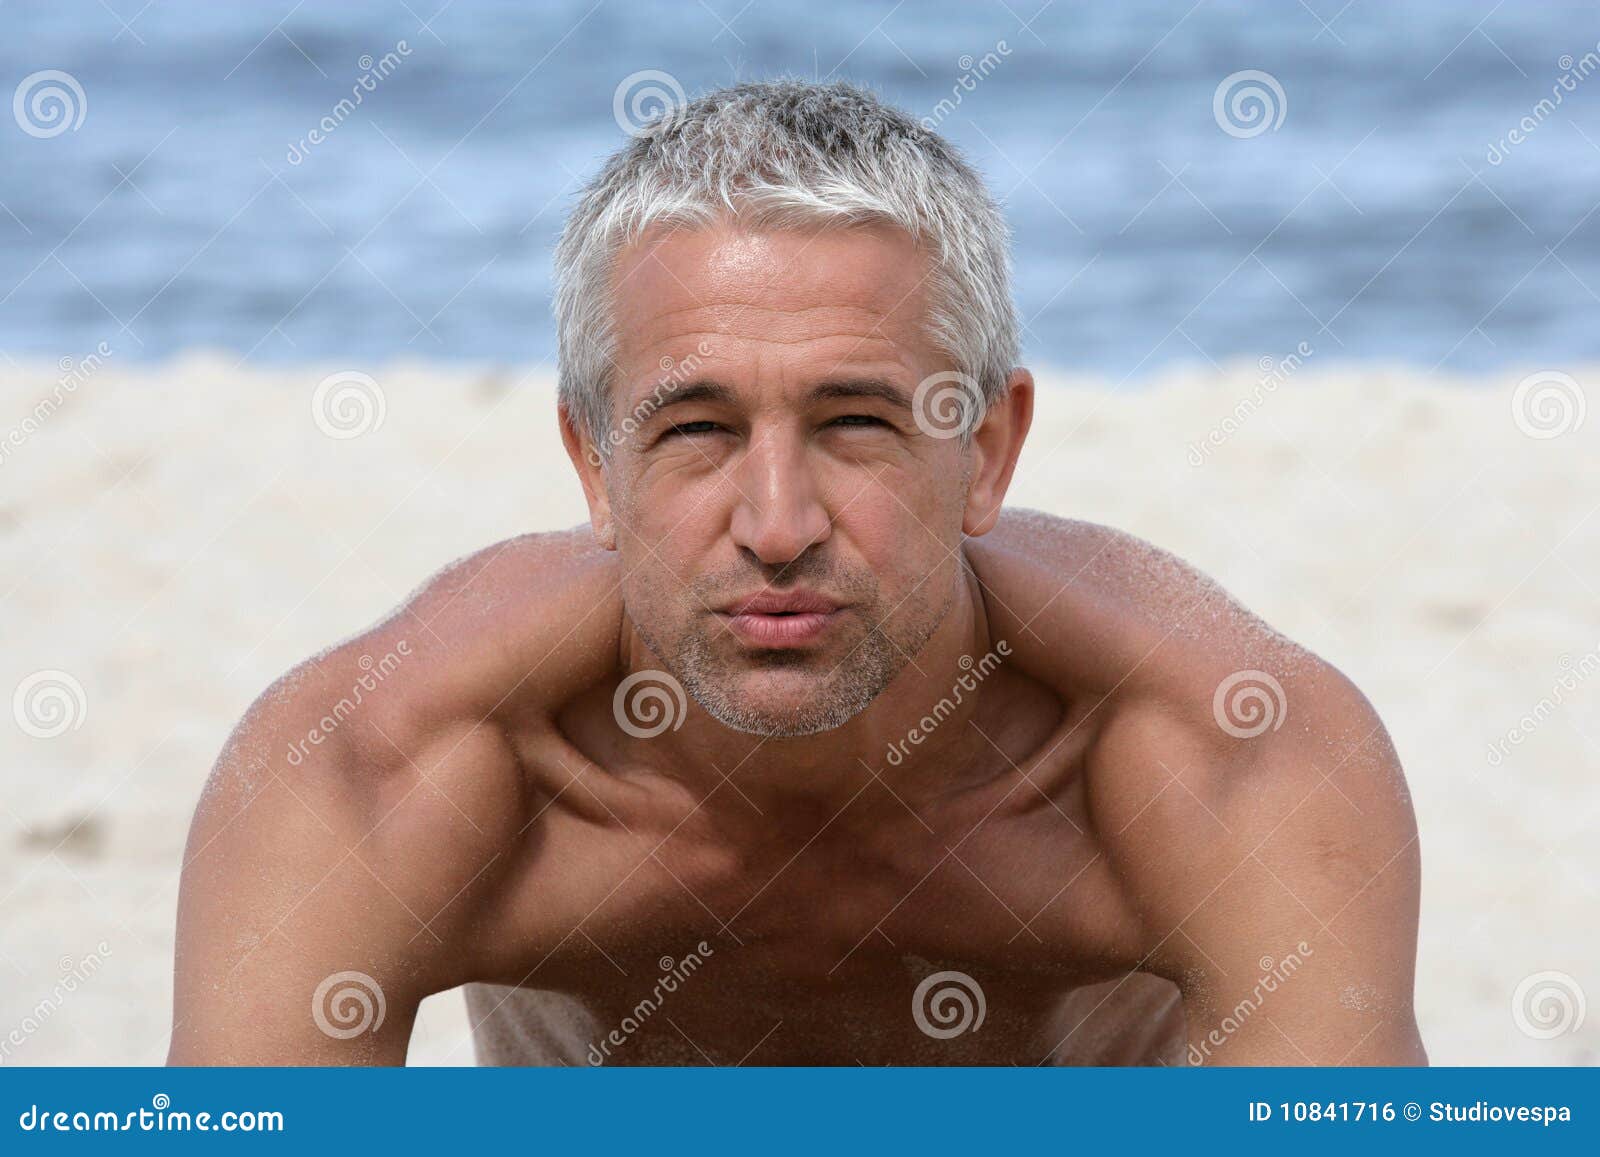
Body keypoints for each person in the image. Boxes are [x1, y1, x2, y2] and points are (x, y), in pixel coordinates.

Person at [168, 80, 1425, 1066]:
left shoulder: (1228, 748)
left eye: (856, 423)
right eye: (697, 428)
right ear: (594, 465)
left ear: (986, 451)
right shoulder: (378, 756)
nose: (777, 523)